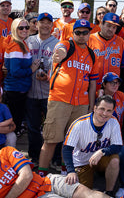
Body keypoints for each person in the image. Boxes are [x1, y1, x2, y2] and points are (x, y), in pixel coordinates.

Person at [39, 19, 101, 173]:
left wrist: (91, 106)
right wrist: (59, 53)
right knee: (51, 140)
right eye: (78, 32)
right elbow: (59, 49)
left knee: (71, 142)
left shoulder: (92, 55)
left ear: (89, 34)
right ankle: (41, 174)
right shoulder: (67, 45)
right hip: (59, 100)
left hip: (81, 104)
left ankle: (65, 173)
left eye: (85, 32)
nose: (81, 35)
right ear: (73, 33)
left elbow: (93, 83)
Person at [61, 96, 124, 196]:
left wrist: (102, 152)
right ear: (95, 108)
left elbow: (118, 146)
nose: (105, 113)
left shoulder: (113, 121)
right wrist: (71, 171)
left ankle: (109, 192)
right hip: (82, 162)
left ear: (112, 112)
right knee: (83, 195)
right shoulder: (79, 124)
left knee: (115, 160)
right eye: (102, 109)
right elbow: (67, 149)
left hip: (101, 158)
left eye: (109, 111)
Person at [26, 12, 59, 163]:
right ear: (36, 24)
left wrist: (48, 76)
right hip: (30, 91)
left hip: (49, 93)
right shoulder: (28, 41)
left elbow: (60, 69)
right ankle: (34, 157)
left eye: (48, 23)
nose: (45, 25)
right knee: (32, 127)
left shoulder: (57, 44)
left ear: (52, 25)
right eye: (42, 22)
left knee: (52, 127)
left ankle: (54, 158)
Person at [3, 18, 33, 132]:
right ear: (14, 29)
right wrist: (31, 70)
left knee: (17, 121)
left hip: (18, 89)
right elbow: (15, 71)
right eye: (21, 28)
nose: (24, 30)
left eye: (27, 27)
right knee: (14, 123)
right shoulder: (16, 46)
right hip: (15, 90)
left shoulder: (21, 43)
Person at [89, 12, 124, 80]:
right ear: (101, 24)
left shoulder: (121, 42)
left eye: (114, 27)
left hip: (113, 84)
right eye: (108, 26)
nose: (111, 29)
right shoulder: (89, 39)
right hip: (93, 83)